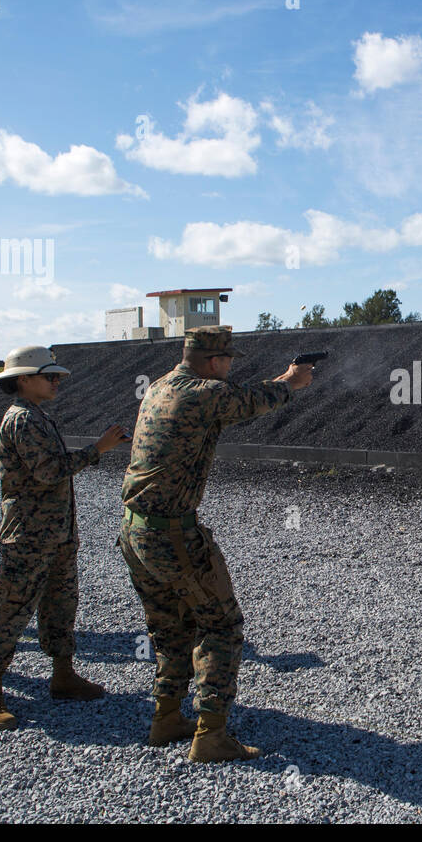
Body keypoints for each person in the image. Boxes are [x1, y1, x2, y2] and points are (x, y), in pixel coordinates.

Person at [119, 325, 312, 761]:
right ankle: (211, 734)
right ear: (213, 361)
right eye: (228, 361)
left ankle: (166, 716)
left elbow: (235, 397)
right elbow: (250, 400)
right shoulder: (201, 392)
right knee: (220, 625)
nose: (230, 369)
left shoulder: (160, 386)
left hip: (135, 530)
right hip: (170, 532)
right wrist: (292, 381)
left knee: (172, 628)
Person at [0, 346, 128, 729]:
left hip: (56, 532)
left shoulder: (38, 416)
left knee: (62, 603)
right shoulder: (23, 419)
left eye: (57, 376)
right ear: (24, 379)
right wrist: (97, 450)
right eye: (49, 376)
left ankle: (63, 676)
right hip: (28, 534)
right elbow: (49, 472)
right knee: (12, 607)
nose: (56, 382)